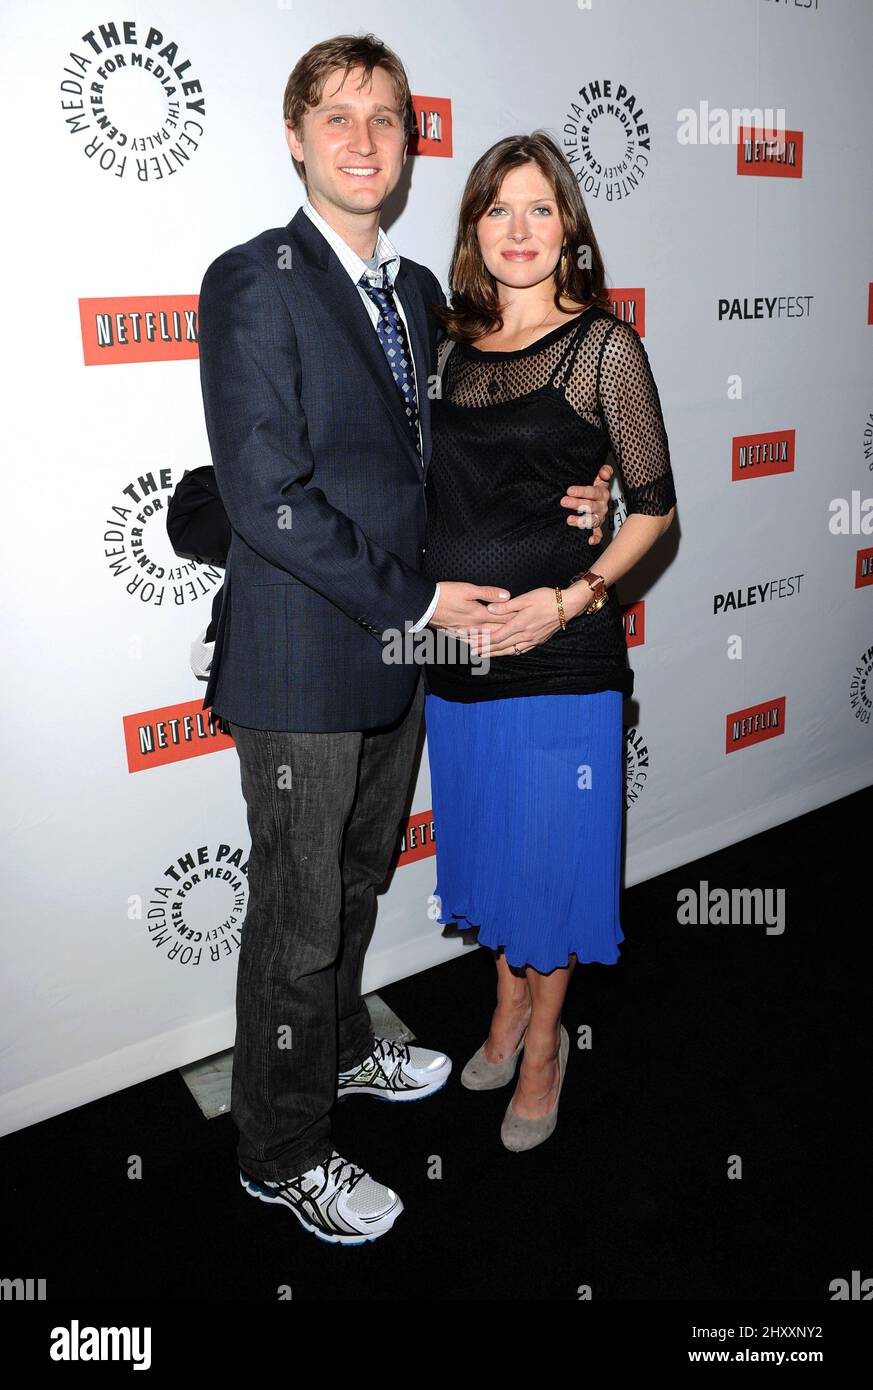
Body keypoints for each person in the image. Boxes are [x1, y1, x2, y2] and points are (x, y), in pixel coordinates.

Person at [196, 37, 614, 1244]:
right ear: (295, 137)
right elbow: (268, 493)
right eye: (337, 117)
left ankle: (334, 1051)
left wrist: (576, 498)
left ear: (411, 144)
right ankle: (280, 1150)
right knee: (295, 916)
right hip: (301, 661)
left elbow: (465, 460)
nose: (364, 138)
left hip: (399, 664)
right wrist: (425, 606)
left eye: (387, 117)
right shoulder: (253, 280)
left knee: (358, 883)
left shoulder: (422, 293)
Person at [422, 131, 677, 1151]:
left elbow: (653, 510)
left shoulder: (605, 348)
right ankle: (506, 1007)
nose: (518, 230)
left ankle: (544, 1045)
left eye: (539, 209)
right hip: (458, 655)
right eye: (498, 209)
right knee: (489, 845)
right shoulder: (444, 346)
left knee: (553, 860)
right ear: (473, 227)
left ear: (569, 224)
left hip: (563, 651)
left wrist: (569, 599)